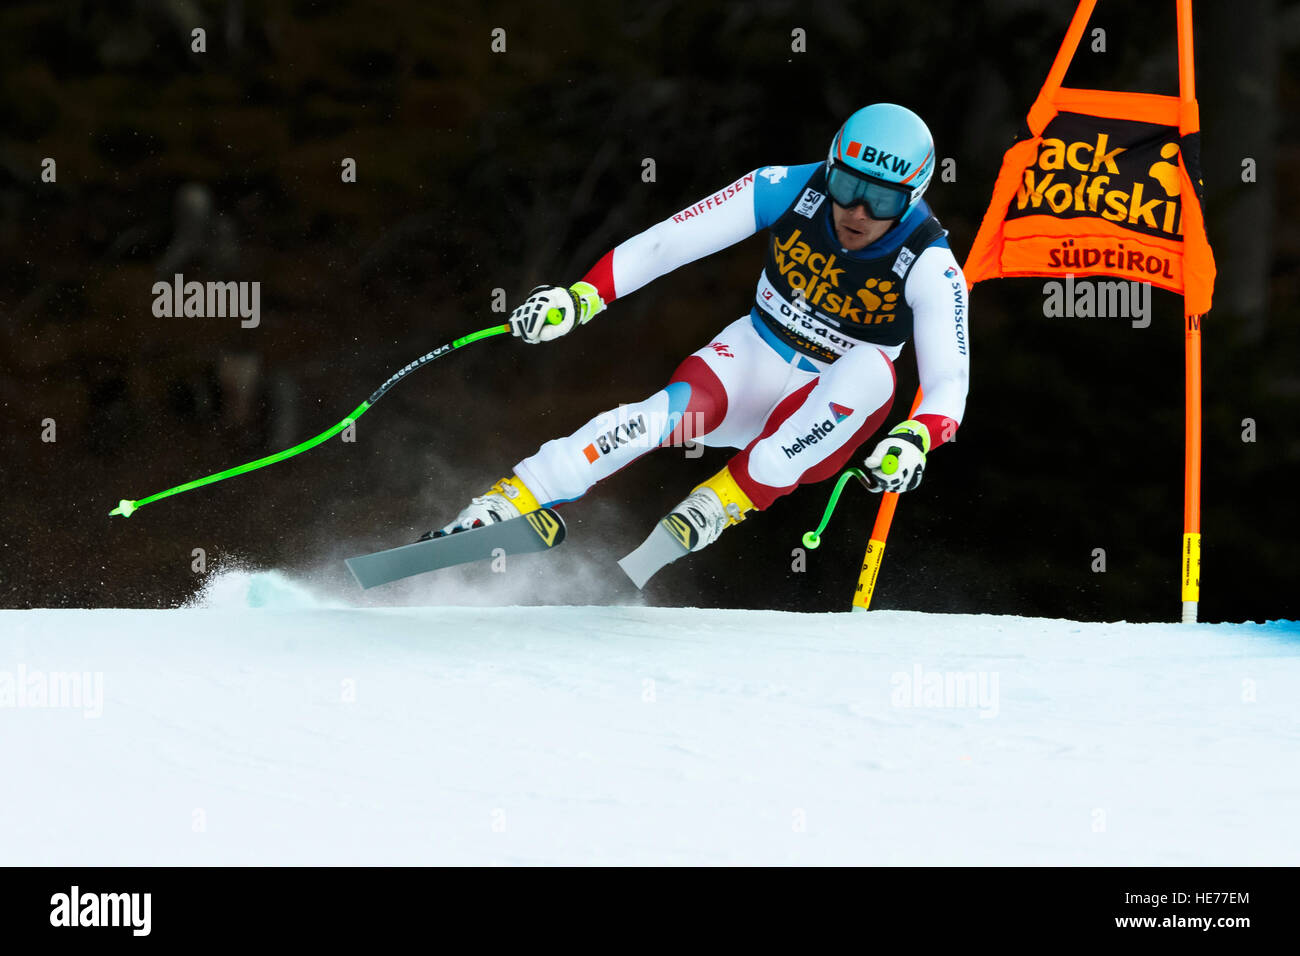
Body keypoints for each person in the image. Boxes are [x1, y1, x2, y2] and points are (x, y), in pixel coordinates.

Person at [430, 103, 970, 580]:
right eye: (849, 187)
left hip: (826, 407)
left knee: (871, 369)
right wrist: (581, 299)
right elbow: (668, 243)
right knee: (647, 421)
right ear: (831, 167)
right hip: (754, 359)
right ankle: (498, 508)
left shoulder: (930, 261)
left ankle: (716, 504)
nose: (859, 212)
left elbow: (949, 378)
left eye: (883, 200)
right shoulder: (784, 188)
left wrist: (915, 438)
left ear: (915, 195)